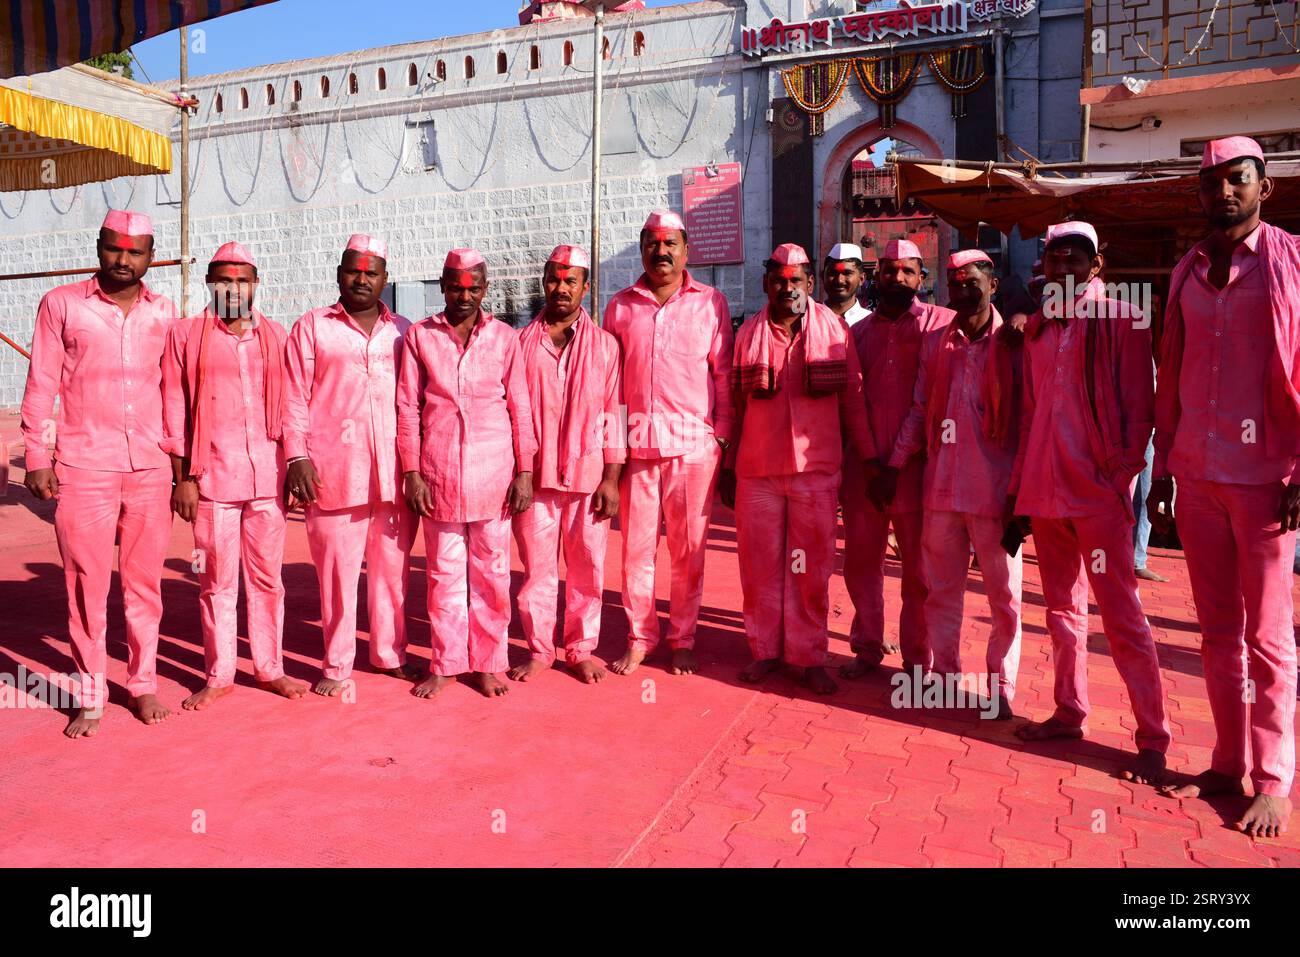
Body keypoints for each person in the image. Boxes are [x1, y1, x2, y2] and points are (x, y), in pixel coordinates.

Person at [1149, 136, 1299, 837]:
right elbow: (1171, 368)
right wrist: (1164, 469)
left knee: (1270, 639)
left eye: (1237, 180)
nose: (1223, 194)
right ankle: (1225, 759)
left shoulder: (1291, 263)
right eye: (1211, 184)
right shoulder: (1186, 271)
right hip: (1198, 473)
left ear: (1264, 186)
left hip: (1269, 476)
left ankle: (1273, 779)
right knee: (1217, 633)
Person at [1008, 220, 1171, 785]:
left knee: (1121, 615)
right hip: (1048, 492)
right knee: (1061, 611)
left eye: (1075, 257)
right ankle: (1069, 711)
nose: (1062, 266)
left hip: (1097, 494)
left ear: (1096, 265)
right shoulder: (1038, 330)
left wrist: (1121, 477)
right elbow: (1031, 415)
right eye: (1054, 257)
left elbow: (1140, 406)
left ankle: (1153, 737)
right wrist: (1020, 492)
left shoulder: (1123, 318)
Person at [21, 210, 177, 737]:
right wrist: (38, 457)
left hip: (150, 466)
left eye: (136, 252)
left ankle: (142, 682)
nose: (124, 260)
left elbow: (172, 392)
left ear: (151, 256)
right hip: (84, 464)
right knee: (85, 584)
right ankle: (91, 693)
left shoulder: (165, 313)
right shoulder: (62, 305)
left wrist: (181, 464)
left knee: (144, 584)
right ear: (99, 247)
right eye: (115, 249)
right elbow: (42, 384)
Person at [720, 244, 875, 694]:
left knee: (811, 570)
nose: (786, 288)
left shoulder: (835, 333)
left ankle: (808, 655)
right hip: (757, 472)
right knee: (759, 567)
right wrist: (729, 467)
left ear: (810, 283)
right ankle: (765, 651)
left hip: (816, 473)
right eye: (778, 280)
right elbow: (735, 404)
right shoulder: (747, 334)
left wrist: (868, 461)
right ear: (767, 283)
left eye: (795, 281)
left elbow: (854, 400)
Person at [162, 242, 306, 710]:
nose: (234, 289)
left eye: (243, 280)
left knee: (268, 581)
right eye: (224, 280)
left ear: (255, 285)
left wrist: (293, 465)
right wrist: (181, 477)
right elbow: (175, 410)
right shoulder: (185, 335)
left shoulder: (276, 335)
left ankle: (270, 669)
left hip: (267, 478)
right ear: (211, 284)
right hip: (212, 481)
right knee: (214, 580)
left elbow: (290, 409)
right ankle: (219, 673)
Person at [889, 249, 1024, 717]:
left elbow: (1028, 418)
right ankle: (945, 676)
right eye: (955, 283)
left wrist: (1022, 493)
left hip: (995, 493)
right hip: (942, 488)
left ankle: (1001, 686)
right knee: (941, 590)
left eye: (972, 283)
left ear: (992, 286)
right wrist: (895, 462)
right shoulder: (937, 343)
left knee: (1004, 596)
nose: (963, 291)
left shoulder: (1014, 341)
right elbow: (922, 407)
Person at [398, 248, 536, 699]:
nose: (464, 295)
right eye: (456, 286)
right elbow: (407, 408)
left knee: (492, 574)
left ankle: (489, 662)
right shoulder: (421, 337)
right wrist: (412, 471)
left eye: (473, 287)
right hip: (438, 474)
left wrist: (525, 471)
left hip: (494, 476)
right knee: (443, 575)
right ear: (442, 285)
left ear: (485, 289)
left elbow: (521, 408)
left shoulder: (504, 339)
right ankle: (446, 662)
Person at [283, 234, 417, 696]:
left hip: (396, 476)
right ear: (339, 273)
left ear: (384, 277)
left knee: (391, 574)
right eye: (353, 270)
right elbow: (294, 398)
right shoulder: (312, 327)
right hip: (333, 472)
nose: (361, 279)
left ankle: (389, 655)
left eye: (371, 272)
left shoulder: (404, 331)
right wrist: (296, 457)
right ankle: (337, 663)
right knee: (337, 576)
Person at [603, 210, 734, 676]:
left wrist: (721, 438)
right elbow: (611, 387)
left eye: (670, 244)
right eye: (653, 244)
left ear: (685, 250)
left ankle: (683, 637)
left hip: (693, 448)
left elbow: (723, 374)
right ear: (642, 249)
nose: (661, 252)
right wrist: (612, 455)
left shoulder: (711, 303)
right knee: (635, 552)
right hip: (637, 450)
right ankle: (641, 637)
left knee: (688, 551)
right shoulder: (620, 306)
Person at [839, 239, 953, 679]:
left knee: (918, 573)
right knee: (860, 565)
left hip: (914, 471)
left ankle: (917, 659)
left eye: (907, 272)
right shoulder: (859, 333)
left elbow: (927, 403)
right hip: (865, 472)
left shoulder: (937, 327)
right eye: (889, 271)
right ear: (876, 277)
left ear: (922, 278)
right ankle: (867, 646)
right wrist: (871, 462)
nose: (898, 279)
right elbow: (852, 400)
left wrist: (895, 462)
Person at [511, 245, 623, 685]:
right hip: (536, 479)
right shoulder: (520, 343)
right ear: (544, 283)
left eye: (570, 281)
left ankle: (580, 649)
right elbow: (512, 412)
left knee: (587, 569)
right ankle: (540, 650)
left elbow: (616, 411)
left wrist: (612, 478)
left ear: (584, 287)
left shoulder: (606, 347)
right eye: (554, 280)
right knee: (537, 572)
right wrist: (519, 472)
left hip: (588, 477)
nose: (561, 288)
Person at [822, 243, 869, 327]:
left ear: (861, 279)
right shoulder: (808, 320)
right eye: (833, 273)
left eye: (847, 273)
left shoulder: (870, 322)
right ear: (822, 276)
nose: (839, 280)